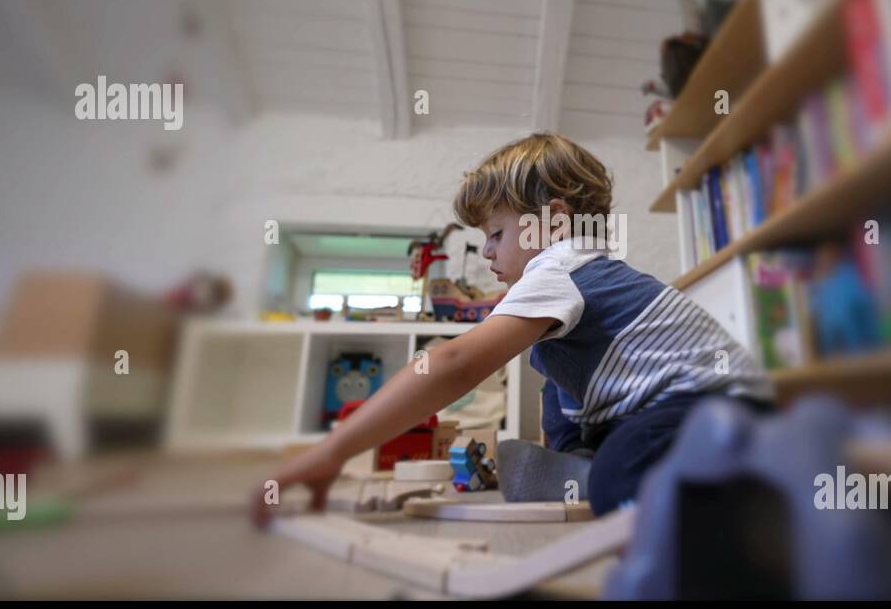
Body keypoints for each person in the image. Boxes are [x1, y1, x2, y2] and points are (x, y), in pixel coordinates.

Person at [251, 132, 770, 525]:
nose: (488, 252)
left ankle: (598, 479)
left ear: (553, 223)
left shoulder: (559, 268)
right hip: (671, 407)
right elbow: (567, 401)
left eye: (496, 232)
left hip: (716, 405)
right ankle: (581, 466)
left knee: (622, 479)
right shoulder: (576, 285)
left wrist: (334, 449)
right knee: (562, 385)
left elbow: (451, 365)